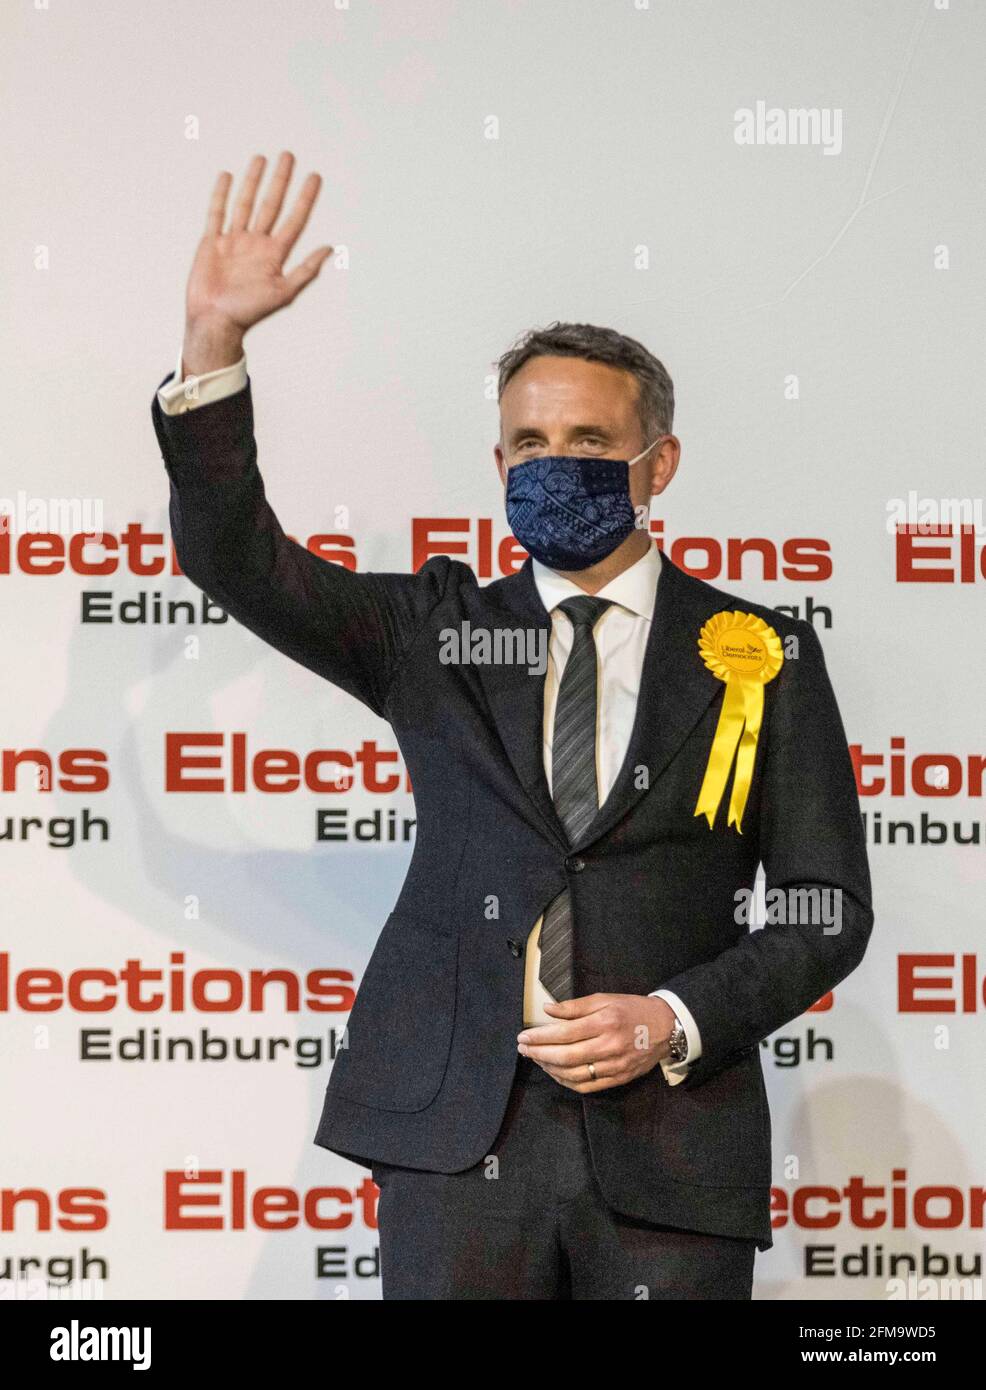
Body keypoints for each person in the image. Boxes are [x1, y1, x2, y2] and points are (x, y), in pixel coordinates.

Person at [151, 151, 874, 1300]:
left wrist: (672, 1017)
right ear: (496, 461)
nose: (553, 467)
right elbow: (232, 554)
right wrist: (212, 346)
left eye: (588, 445)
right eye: (528, 446)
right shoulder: (428, 633)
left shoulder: (763, 652)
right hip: (455, 1140)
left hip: (671, 1146)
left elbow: (824, 907)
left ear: (657, 464)